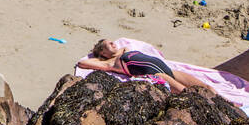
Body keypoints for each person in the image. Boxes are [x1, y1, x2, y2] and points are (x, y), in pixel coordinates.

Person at [79, 40, 212, 95]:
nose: (113, 43)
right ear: (102, 52)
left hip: (168, 70)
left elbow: (125, 44)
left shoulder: (125, 49)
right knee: (189, 93)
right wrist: (98, 56)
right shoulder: (110, 63)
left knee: (207, 88)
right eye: (108, 43)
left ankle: (232, 106)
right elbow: (82, 63)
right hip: (157, 75)